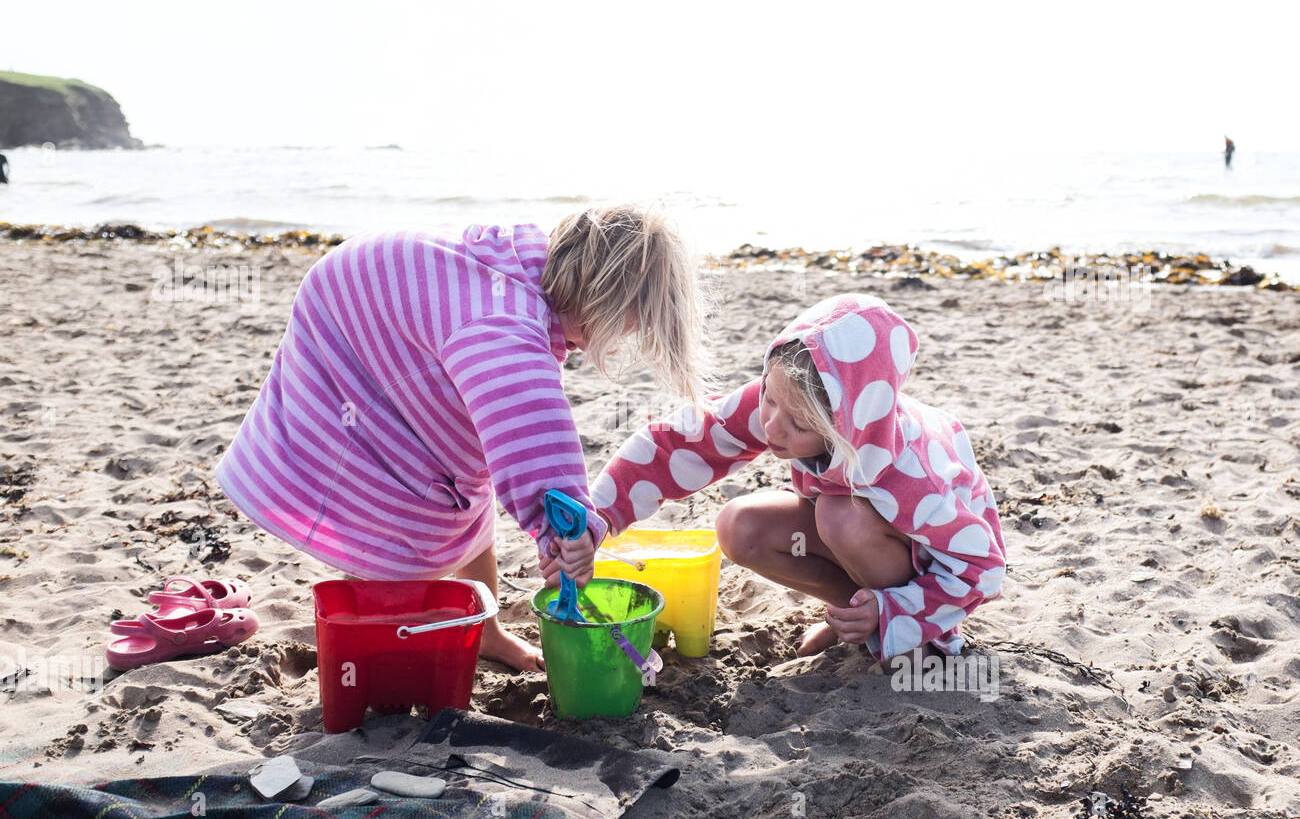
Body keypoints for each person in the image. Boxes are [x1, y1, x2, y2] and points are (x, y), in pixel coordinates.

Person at [215, 204, 709, 672]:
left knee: (466, 481)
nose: (621, 339)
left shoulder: (525, 270)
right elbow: (532, 436)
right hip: (352, 335)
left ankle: (486, 631)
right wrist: (567, 531)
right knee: (404, 513)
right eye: (623, 324)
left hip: (381, 312)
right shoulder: (503, 327)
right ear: (602, 294)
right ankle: (369, 640)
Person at [583, 294, 1006, 665]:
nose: (772, 427)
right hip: (847, 526)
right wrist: (597, 516)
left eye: (799, 425)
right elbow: (677, 442)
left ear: (842, 426)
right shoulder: (785, 398)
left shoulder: (909, 473)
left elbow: (982, 570)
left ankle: (902, 627)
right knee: (739, 525)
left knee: (840, 516)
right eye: (768, 398)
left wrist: (895, 608)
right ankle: (852, 614)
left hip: (923, 561)